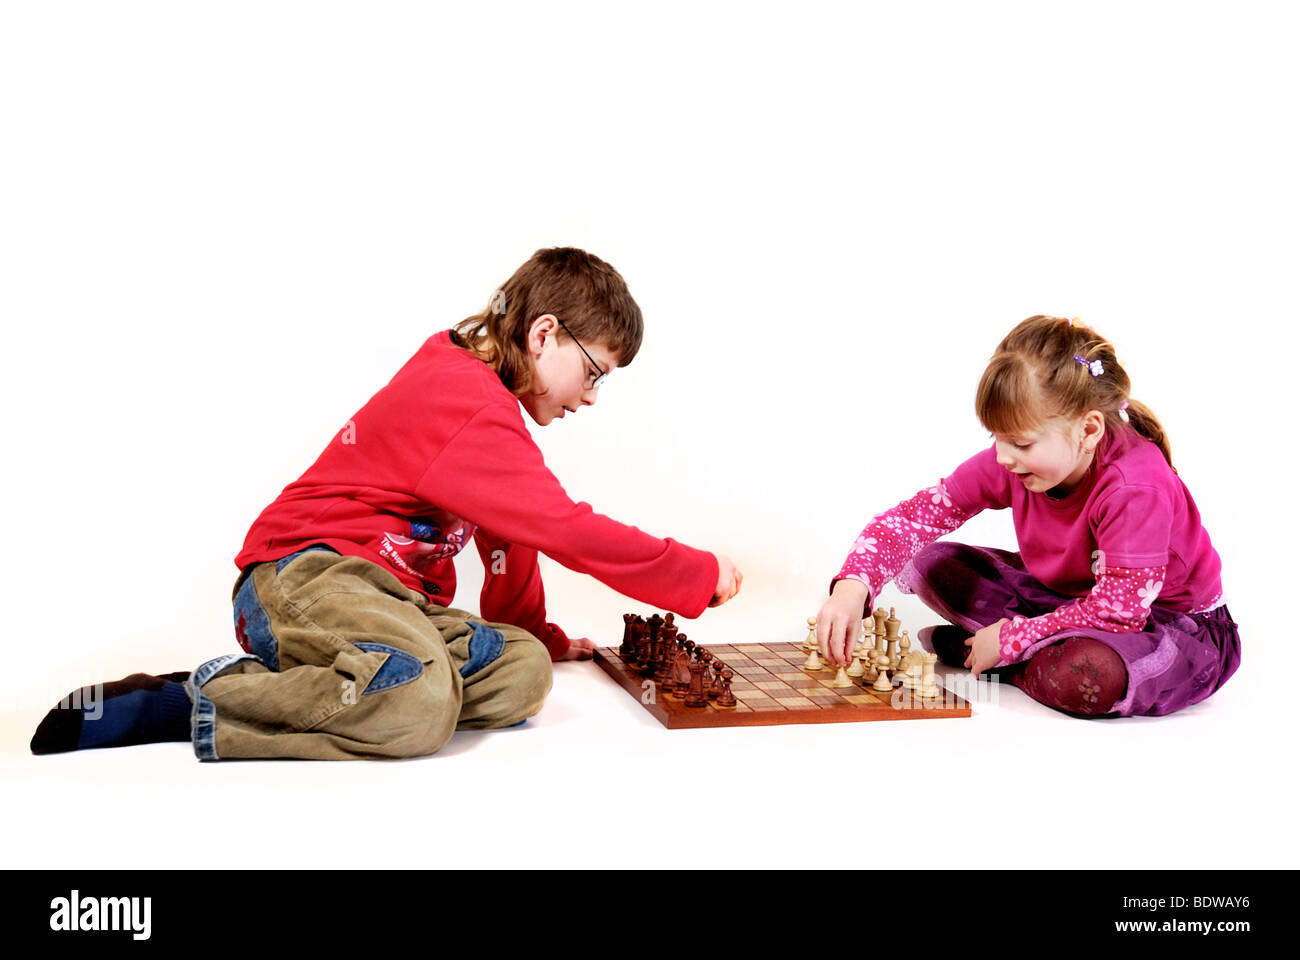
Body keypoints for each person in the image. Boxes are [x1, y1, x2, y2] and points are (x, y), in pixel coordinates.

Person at [32, 247, 742, 759]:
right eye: (593, 372)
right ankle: (201, 699)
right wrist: (692, 572)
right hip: (306, 577)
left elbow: (515, 534)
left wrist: (542, 636)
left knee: (523, 673)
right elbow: (560, 526)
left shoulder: (488, 409)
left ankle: (366, 682)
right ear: (545, 331)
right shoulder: (462, 397)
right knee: (420, 707)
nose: (590, 396)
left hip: (390, 603)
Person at [816, 315, 1238, 717]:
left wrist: (1009, 638)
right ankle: (1018, 652)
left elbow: (1119, 614)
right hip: (1073, 602)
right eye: (996, 437)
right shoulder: (1017, 462)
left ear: (1088, 430)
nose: (1002, 456)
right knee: (931, 562)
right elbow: (916, 518)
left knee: (1088, 675)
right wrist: (853, 586)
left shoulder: (1135, 486)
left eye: (1019, 442)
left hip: (1162, 627)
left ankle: (1003, 659)